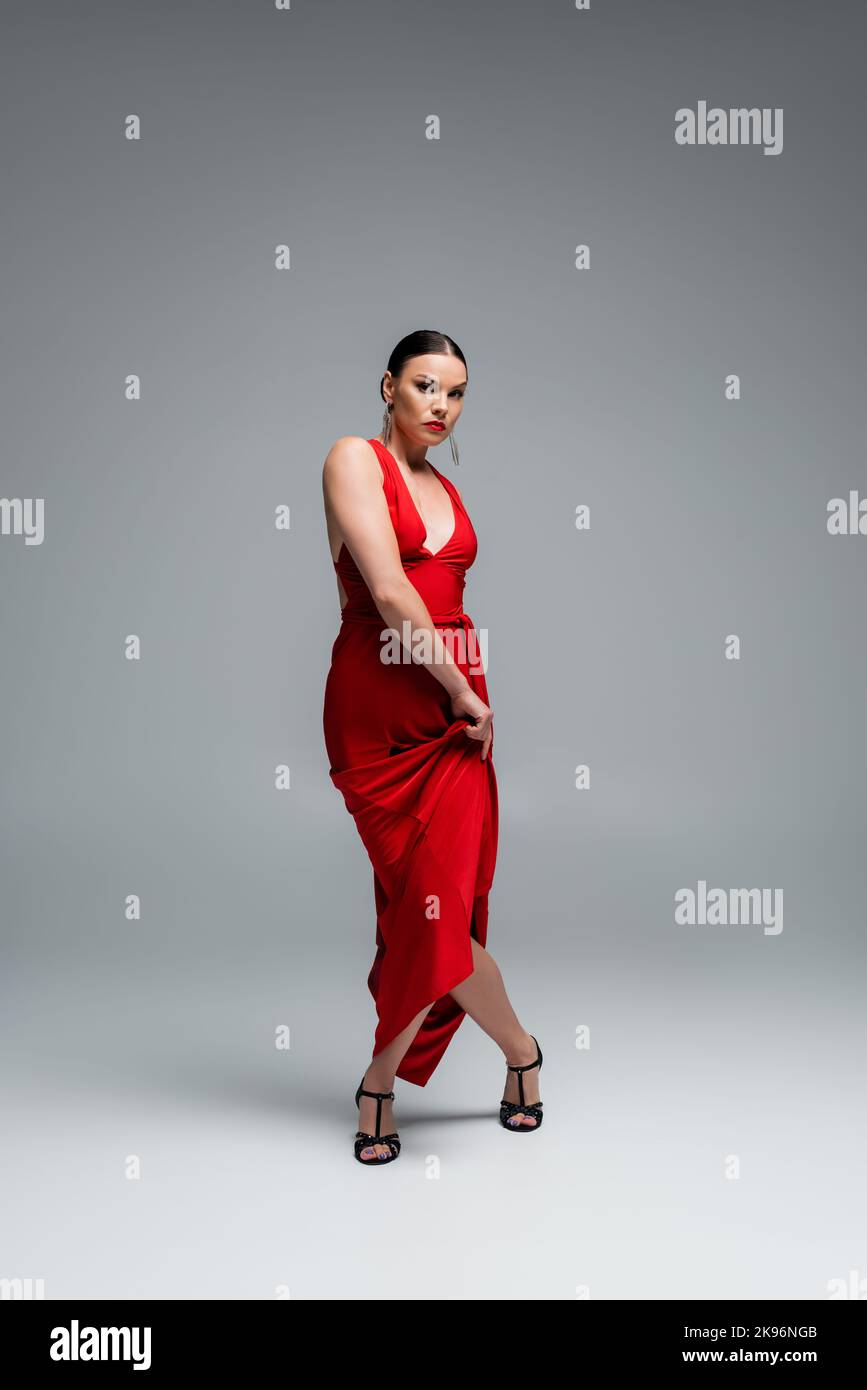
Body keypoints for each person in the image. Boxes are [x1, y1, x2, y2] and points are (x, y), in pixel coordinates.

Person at [322, 329, 543, 1165]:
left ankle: (378, 1083)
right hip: (387, 708)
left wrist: (464, 691)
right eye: (423, 386)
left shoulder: (442, 484)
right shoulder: (352, 460)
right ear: (387, 387)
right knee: (422, 909)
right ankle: (520, 1050)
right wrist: (460, 691)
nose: (440, 406)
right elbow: (386, 589)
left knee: (440, 909)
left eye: (454, 393)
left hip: (457, 706)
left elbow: (445, 595)